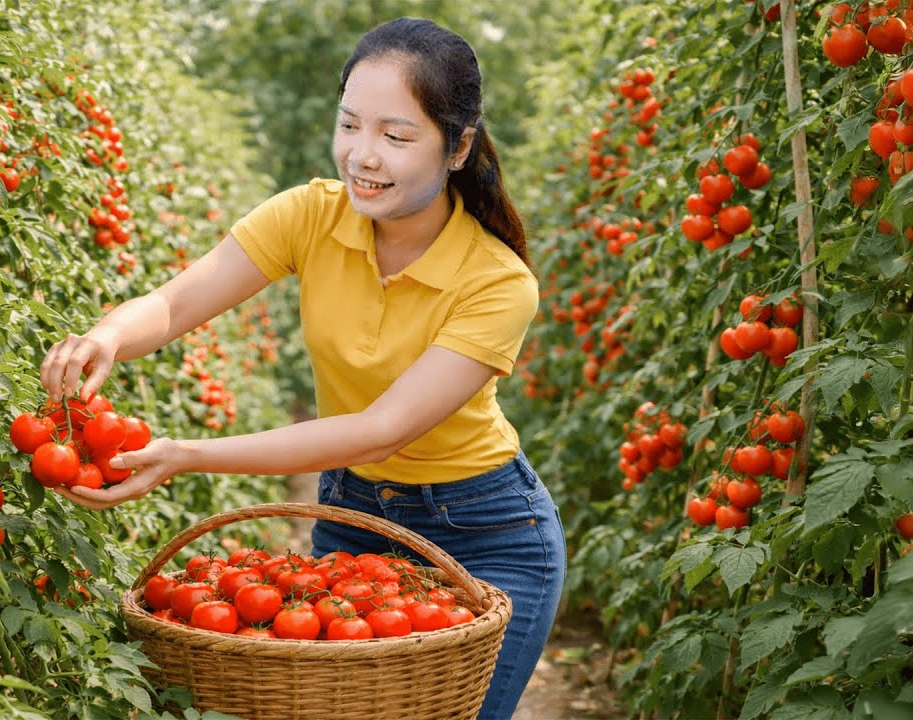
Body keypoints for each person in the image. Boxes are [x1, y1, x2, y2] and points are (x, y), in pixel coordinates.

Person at [39, 16, 565, 720]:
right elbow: (174, 302)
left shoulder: (498, 282)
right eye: (350, 126)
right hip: (352, 516)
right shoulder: (310, 216)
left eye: (396, 136)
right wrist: (109, 334)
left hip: (487, 534)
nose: (363, 156)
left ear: (459, 146)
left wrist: (189, 455)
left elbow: (382, 430)